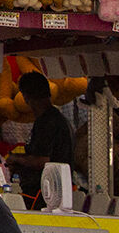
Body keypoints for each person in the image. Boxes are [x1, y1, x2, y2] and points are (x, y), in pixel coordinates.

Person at [8, 71, 74, 209]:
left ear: (26, 97)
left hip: (44, 194)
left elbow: (42, 161)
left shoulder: (48, 122)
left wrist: (15, 159)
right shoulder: (55, 119)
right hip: (54, 192)